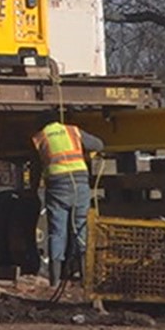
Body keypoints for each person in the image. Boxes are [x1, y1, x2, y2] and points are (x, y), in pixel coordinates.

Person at [32, 115, 103, 284]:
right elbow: (99, 144)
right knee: (81, 227)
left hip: (57, 187)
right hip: (79, 184)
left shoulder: (40, 137)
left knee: (57, 232)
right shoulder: (73, 131)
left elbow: (36, 166)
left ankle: (54, 279)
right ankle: (86, 278)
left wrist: (34, 190)